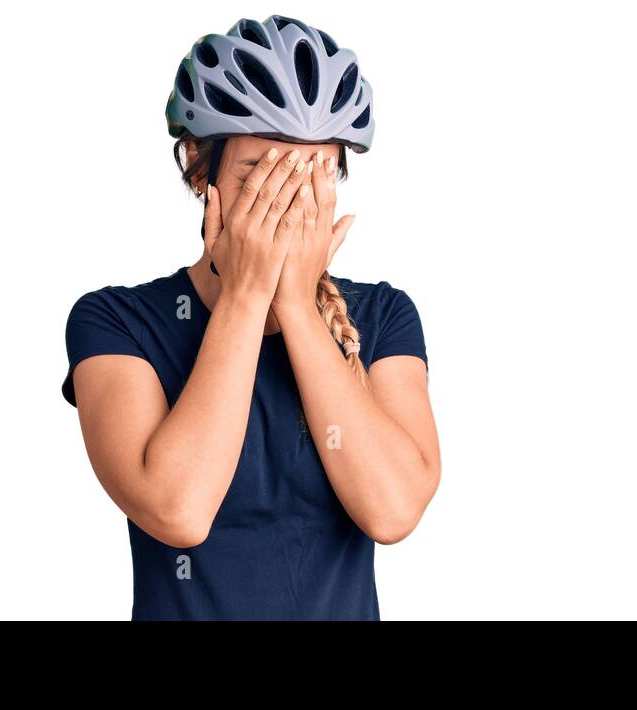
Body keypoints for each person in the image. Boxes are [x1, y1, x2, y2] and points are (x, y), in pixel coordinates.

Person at [60, 14, 440, 620]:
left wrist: (293, 304)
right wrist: (244, 295)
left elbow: (392, 511)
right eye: (261, 174)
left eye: (310, 174)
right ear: (200, 171)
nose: (286, 202)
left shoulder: (385, 316)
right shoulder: (116, 323)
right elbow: (178, 510)